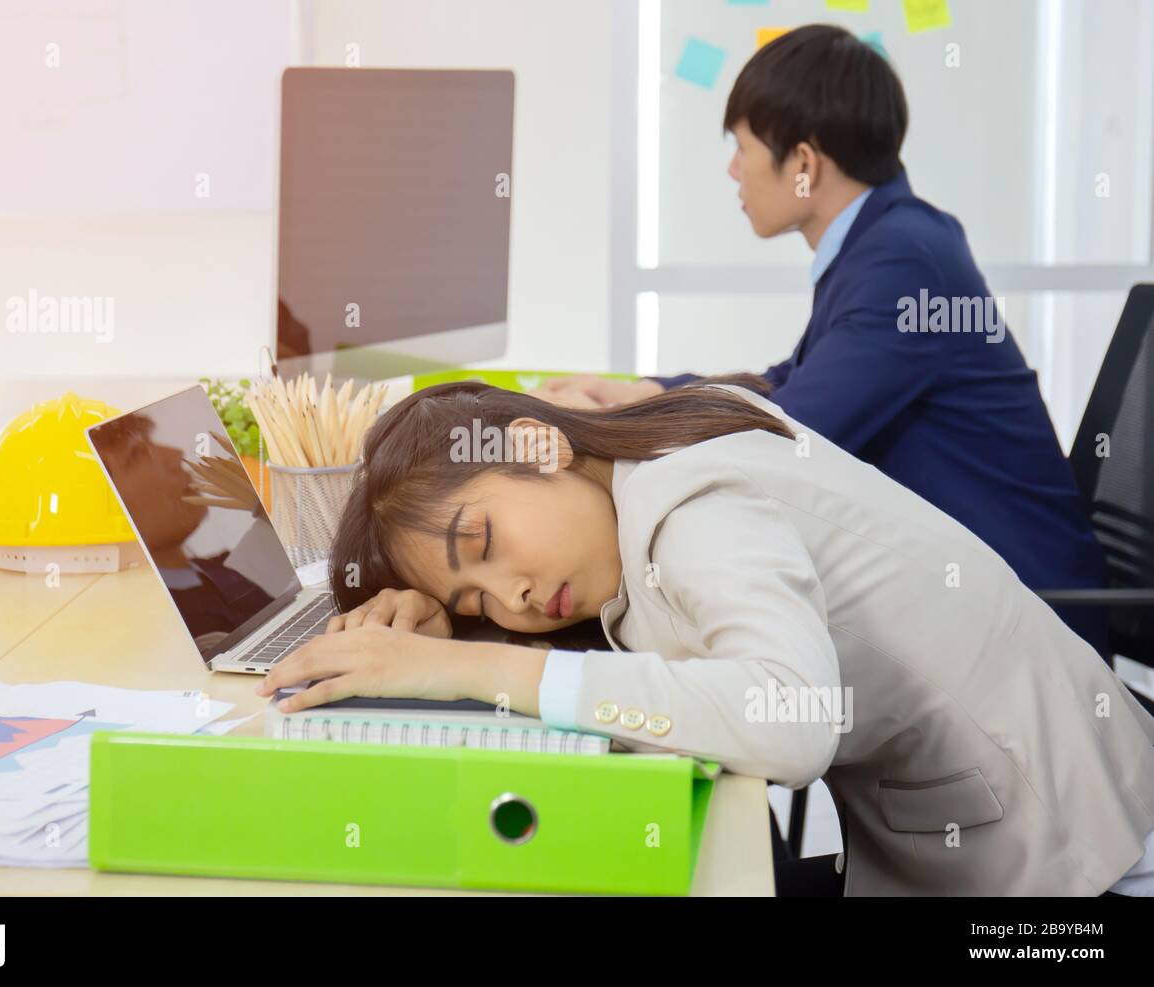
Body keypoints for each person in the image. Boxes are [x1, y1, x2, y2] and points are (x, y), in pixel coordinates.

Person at [254, 378, 1154, 896]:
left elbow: (793, 722)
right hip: (969, 838)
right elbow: (656, 636)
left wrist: (468, 662)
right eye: (479, 597)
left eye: (482, 545)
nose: (515, 595)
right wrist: (439, 622)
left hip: (1070, 873)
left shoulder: (694, 507)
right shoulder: (647, 458)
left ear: (539, 447)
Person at [536, 24, 1108, 654]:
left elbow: (792, 432)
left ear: (803, 163)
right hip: (984, 601)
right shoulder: (887, 243)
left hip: (1034, 625)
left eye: (743, 146)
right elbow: (788, 380)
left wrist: (606, 436)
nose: (733, 168)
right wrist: (642, 392)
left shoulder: (904, 259)